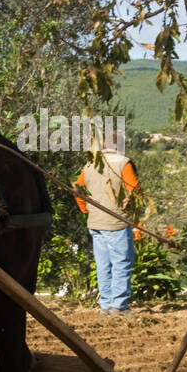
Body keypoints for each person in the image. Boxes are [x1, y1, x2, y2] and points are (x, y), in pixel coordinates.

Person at [74, 130, 140, 314]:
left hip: (95, 223)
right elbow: (134, 190)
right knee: (121, 261)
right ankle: (119, 305)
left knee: (103, 263)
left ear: (104, 145)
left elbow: (77, 189)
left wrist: (85, 209)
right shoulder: (122, 162)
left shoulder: (89, 164)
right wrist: (133, 210)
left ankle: (105, 304)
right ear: (120, 145)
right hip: (116, 222)